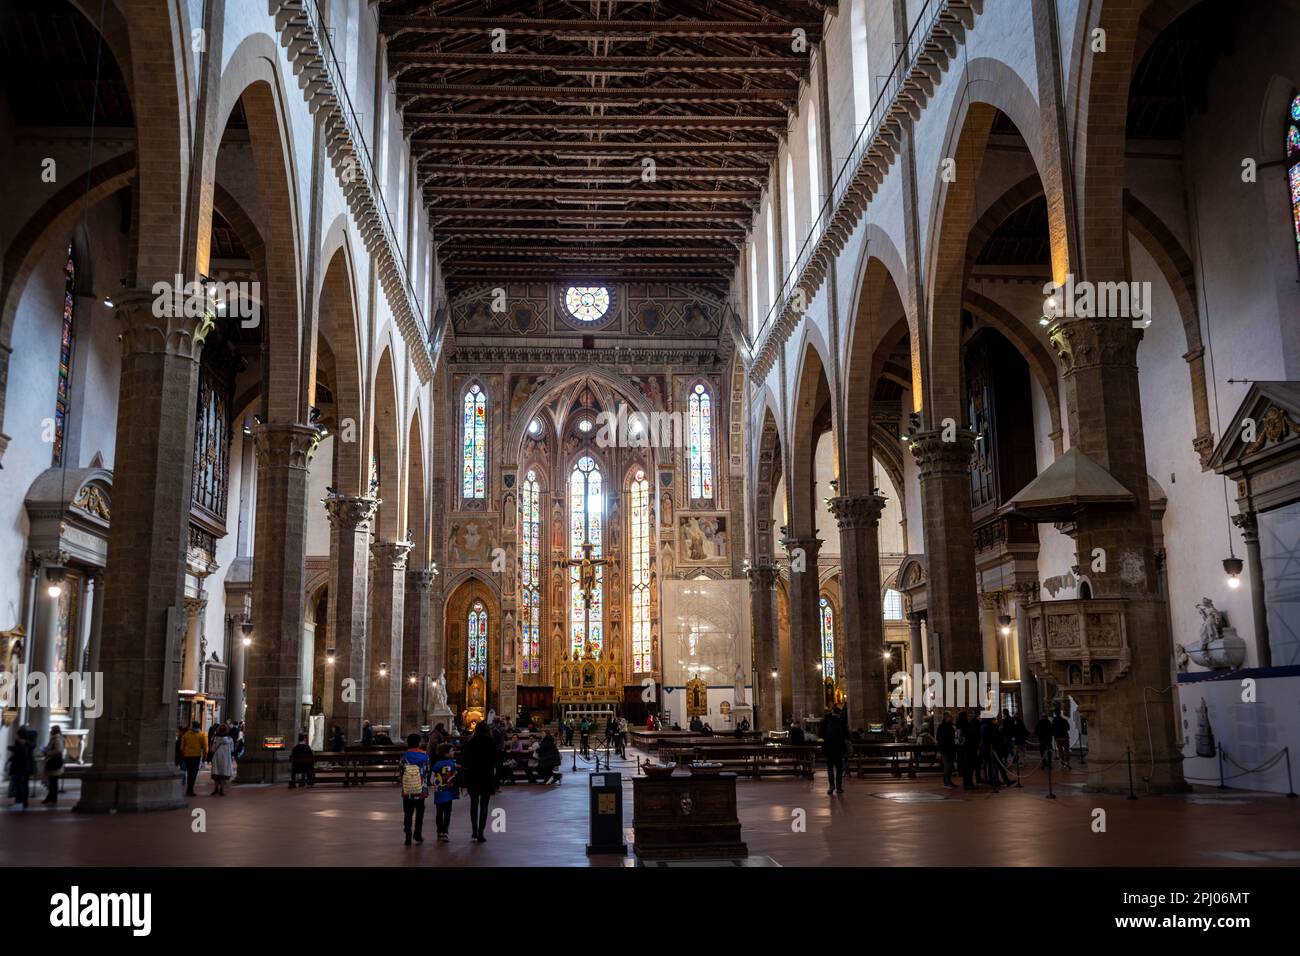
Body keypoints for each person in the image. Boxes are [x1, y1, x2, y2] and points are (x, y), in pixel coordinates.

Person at [459, 721, 498, 842]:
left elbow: (464, 761)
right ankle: (481, 832)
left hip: (473, 776)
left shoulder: (470, 742)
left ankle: (474, 831)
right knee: (484, 805)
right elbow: (495, 761)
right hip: (486, 776)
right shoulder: (490, 742)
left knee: (474, 804)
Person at [398, 733, 431, 846]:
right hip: (420, 788)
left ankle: (408, 835)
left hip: (408, 789)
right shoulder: (425, 756)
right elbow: (427, 771)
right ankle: (418, 833)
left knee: (408, 813)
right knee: (420, 812)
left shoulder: (404, 756)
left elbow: (401, 770)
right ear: (419, 743)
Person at [430, 743, 460, 842]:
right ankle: (445, 832)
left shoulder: (437, 764)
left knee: (439, 812)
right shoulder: (452, 764)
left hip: (439, 792)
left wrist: (436, 785)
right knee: (447, 813)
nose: (453, 752)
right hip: (449, 792)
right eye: (452, 751)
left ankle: (439, 831)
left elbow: (432, 779)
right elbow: (456, 776)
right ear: (446, 753)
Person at [6, 724, 35, 811]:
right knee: (20, 785)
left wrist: (15, 747)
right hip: (21, 766)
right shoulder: (23, 741)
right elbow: (17, 751)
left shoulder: (28, 741)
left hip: (23, 766)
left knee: (22, 785)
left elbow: (23, 752)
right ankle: (19, 802)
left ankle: (21, 803)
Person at [819, 707, 848, 795]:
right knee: (839, 768)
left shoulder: (826, 720)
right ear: (839, 713)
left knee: (830, 768)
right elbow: (847, 735)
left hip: (829, 747)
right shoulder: (841, 721)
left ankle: (831, 785)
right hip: (839, 748)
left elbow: (820, 734)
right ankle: (839, 787)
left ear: (832, 712)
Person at [179, 721, 208, 797]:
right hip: (196, 756)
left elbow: (182, 746)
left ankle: (189, 789)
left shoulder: (186, 734)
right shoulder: (201, 734)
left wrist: (182, 755)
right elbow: (205, 746)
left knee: (189, 772)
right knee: (194, 773)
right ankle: (190, 789)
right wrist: (205, 754)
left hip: (187, 755)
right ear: (199, 726)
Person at [41, 726, 66, 805]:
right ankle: (50, 797)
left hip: (54, 763)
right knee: (52, 782)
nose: (50, 731)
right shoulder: (55, 738)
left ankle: (52, 799)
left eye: (52, 730)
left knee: (53, 782)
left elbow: (58, 750)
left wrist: (47, 752)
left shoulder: (57, 739)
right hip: (52, 762)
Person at [210, 723, 235, 795]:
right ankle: (222, 789)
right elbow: (232, 749)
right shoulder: (230, 739)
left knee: (216, 773)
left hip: (217, 757)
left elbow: (213, 749)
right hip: (226, 758)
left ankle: (216, 789)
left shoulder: (215, 738)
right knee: (223, 774)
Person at [936, 711, 957, 790]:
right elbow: (939, 738)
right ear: (945, 717)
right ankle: (946, 782)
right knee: (947, 766)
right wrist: (941, 748)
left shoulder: (950, 726)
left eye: (951, 716)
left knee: (950, 766)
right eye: (950, 717)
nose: (951, 718)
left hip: (951, 748)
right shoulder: (942, 727)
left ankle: (949, 781)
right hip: (945, 749)